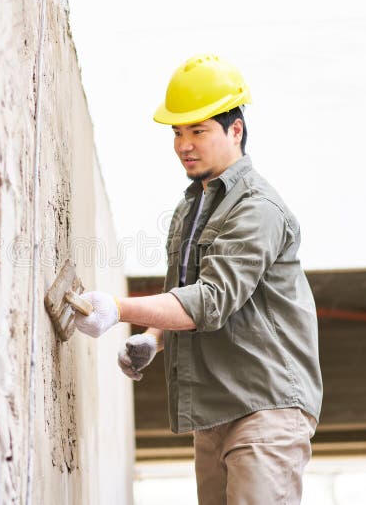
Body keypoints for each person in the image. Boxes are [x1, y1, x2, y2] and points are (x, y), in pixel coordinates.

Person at [72, 54, 323, 505]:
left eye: (198, 130)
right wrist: (153, 337)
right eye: (177, 132)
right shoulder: (191, 208)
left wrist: (119, 309)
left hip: (264, 410)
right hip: (216, 413)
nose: (184, 144)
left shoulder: (257, 209)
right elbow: (187, 297)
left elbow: (209, 301)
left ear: (236, 131)